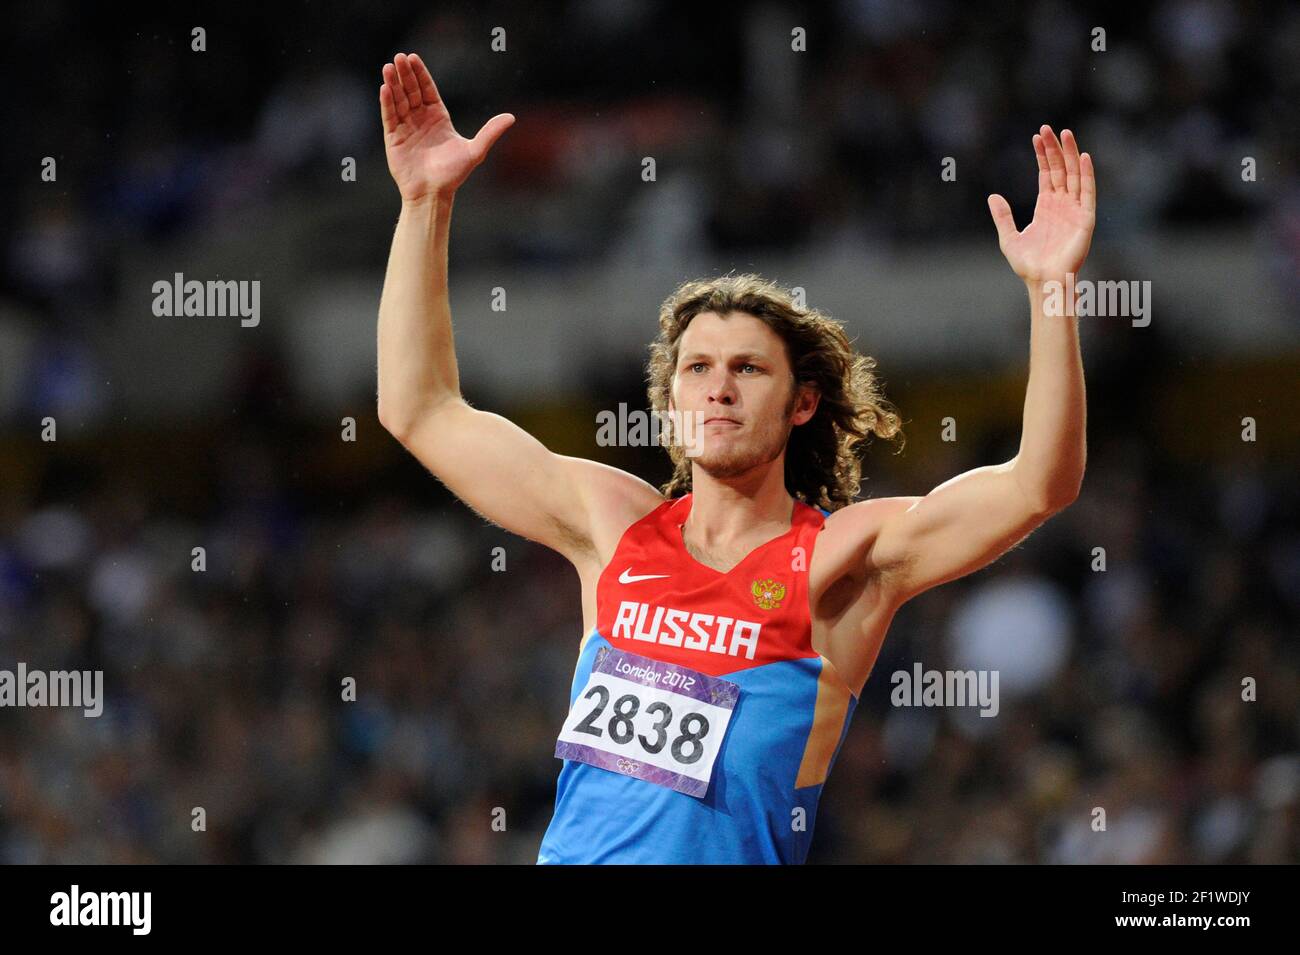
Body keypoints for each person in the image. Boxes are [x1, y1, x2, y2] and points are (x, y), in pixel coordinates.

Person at [374, 52, 1093, 863]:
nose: (718, 388)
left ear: (802, 402)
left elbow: (1042, 481)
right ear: (673, 398)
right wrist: (425, 201)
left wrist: (1052, 290)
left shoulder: (839, 561)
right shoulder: (612, 525)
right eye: (698, 368)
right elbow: (420, 409)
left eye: (748, 369)